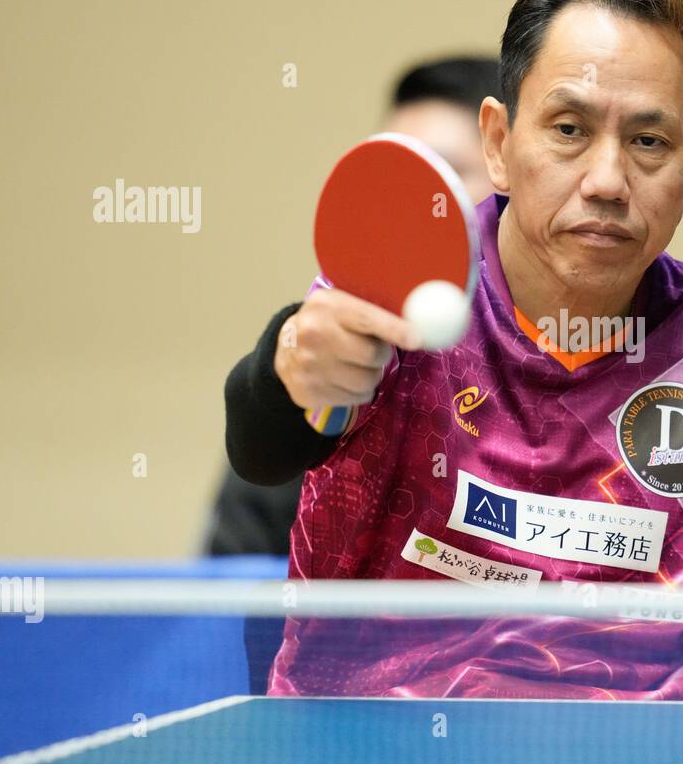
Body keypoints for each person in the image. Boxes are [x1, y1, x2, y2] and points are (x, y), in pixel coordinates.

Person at [225, 0, 683, 701]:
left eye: (649, 141)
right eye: (569, 129)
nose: (606, 181)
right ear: (500, 143)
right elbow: (261, 443)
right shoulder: (403, 284)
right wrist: (290, 362)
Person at [204, 56, 500, 559]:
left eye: (447, 176)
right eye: (398, 173)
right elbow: (236, 588)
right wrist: (284, 371)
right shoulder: (334, 371)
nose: (414, 202)